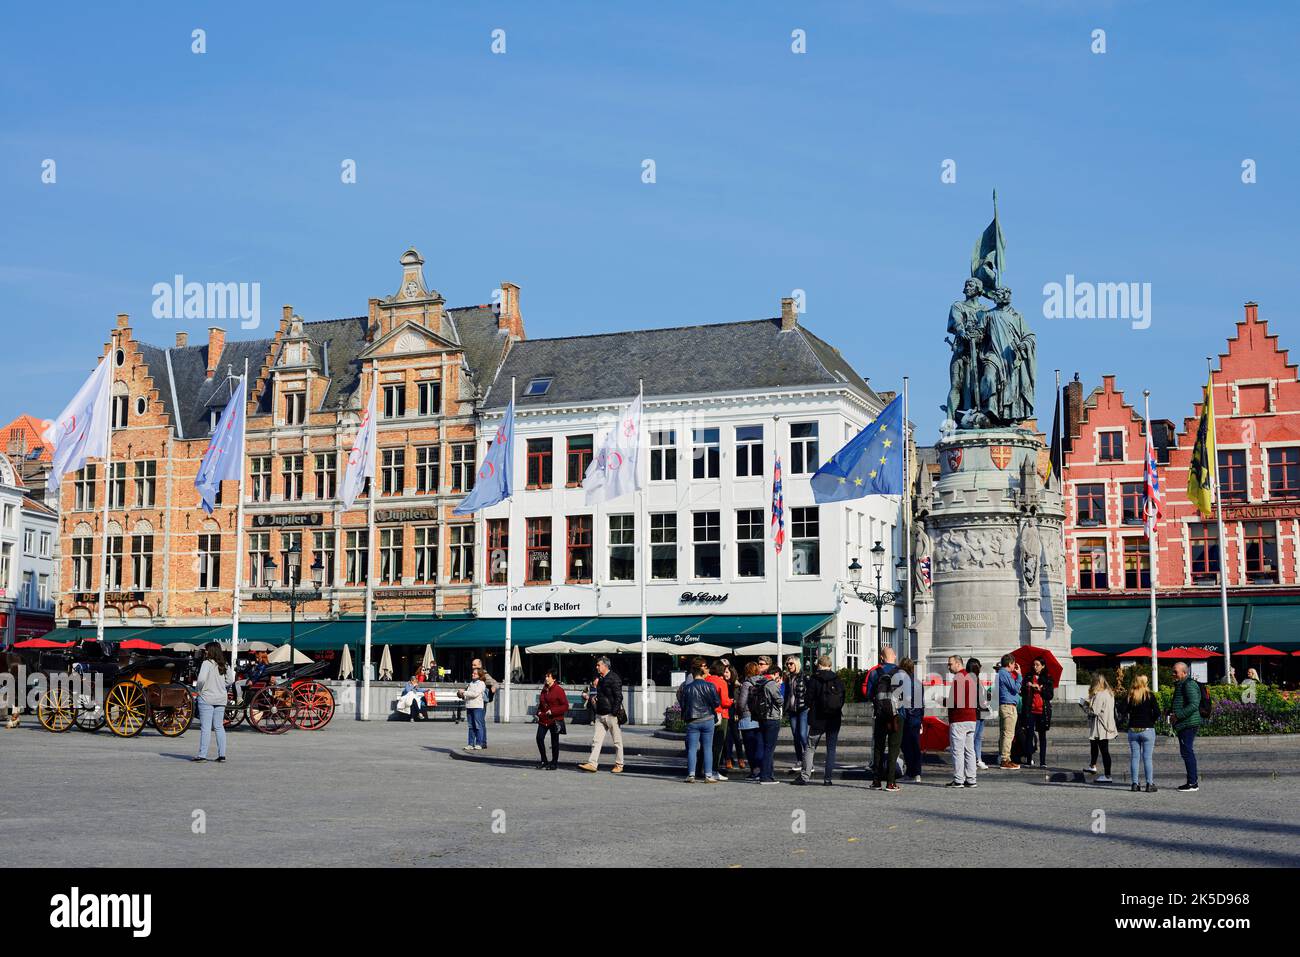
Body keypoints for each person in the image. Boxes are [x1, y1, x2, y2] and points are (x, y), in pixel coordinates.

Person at [798, 656, 844, 786]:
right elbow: (842, 699)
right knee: (831, 749)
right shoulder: (838, 679)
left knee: (810, 747)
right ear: (830, 665)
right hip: (834, 719)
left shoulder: (814, 679)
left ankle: (805, 776)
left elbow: (807, 700)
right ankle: (828, 779)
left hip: (817, 719)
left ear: (819, 665)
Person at [678, 659, 722, 782]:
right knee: (708, 747)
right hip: (707, 719)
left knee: (692, 748)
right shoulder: (710, 686)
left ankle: (691, 774)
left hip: (692, 720)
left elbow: (683, 704)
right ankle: (708, 775)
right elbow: (717, 702)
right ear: (703, 673)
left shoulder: (687, 688)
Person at [578, 657, 625, 774]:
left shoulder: (614, 678)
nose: (597, 667)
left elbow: (619, 697)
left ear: (605, 666)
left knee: (617, 741)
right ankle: (592, 763)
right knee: (596, 740)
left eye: (599, 665)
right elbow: (603, 695)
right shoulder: (600, 679)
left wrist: (614, 712)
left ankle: (619, 764)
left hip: (611, 715)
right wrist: (596, 700)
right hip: (600, 713)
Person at [192, 643, 235, 763]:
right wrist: (222, 686)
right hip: (221, 698)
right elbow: (231, 680)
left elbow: (201, 679)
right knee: (219, 727)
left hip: (207, 697)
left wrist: (199, 690)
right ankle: (222, 755)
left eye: (206, 650)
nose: (205, 652)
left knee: (205, 727)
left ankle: (202, 755)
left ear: (210, 651)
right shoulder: (224, 664)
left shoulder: (207, 663)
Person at [865, 646, 900, 789]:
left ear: (881, 657)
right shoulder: (901, 672)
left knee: (878, 747)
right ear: (895, 656)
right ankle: (891, 782)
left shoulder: (874, 673)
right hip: (897, 714)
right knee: (894, 747)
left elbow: (868, 694)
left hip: (879, 714)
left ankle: (876, 781)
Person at [1119, 673, 1159, 793]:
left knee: (1135, 757)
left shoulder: (1131, 696)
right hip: (1147, 729)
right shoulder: (1149, 695)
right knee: (1147, 758)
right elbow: (1157, 712)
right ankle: (1149, 783)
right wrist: (1150, 721)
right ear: (1145, 683)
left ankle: (1135, 784)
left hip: (1133, 730)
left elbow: (1121, 709)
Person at [945, 655, 978, 788]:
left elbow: (956, 701)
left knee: (958, 750)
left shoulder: (959, 677)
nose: (948, 666)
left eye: (950, 664)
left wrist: (942, 700)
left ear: (958, 664)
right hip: (971, 717)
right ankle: (971, 779)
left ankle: (958, 779)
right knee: (970, 750)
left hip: (959, 718)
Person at [1170, 661, 1202, 792]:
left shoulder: (1188, 684)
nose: (1173, 674)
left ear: (1184, 672)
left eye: (1175, 672)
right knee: (1186, 752)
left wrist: (1178, 715)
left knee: (1187, 752)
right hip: (1184, 723)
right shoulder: (1181, 684)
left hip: (1188, 723)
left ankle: (1192, 783)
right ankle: (1191, 782)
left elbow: (1194, 704)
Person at [754, 657, 783, 783]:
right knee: (769, 748)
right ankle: (765, 776)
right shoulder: (771, 684)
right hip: (772, 717)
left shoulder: (760, 682)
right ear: (776, 674)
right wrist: (778, 686)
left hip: (761, 716)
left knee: (765, 746)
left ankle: (768, 774)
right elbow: (780, 700)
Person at [1020, 657, 1054, 767]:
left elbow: (1050, 695)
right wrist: (1028, 686)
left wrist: (1041, 689)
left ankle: (1043, 761)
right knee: (1029, 735)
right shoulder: (1028, 677)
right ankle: (1029, 759)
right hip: (1030, 710)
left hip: (1042, 710)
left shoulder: (1048, 678)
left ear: (1043, 666)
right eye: (1034, 664)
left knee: (1042, 736)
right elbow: (1022, 692)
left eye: (1037, 665)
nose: (1035, 667)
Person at [1085, 674, 1117, 783]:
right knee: (1095, 745)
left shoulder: (1100, 695)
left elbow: (1095, 711)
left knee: (1104, 751)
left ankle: (1108, 775)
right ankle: (1092, 765)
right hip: (1107, 724)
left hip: (1101, 726)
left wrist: (1086, 707)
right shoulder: (1109, 693)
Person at [896, 657, 925, 782]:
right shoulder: (918, 682)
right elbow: (921, 702)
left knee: (906, 745)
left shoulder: (903, 681)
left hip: (907, 715)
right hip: (917, 716)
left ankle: (910, 772)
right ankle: (917, 773)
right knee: (916, 746)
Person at [534, 670, 568, 770]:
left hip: (555, 720)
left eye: (548, 676)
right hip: (543, 719)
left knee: (554, 742)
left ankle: (554, 763)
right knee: (539, 738)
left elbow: (565, 706)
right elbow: (541, 704)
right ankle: (544, 760)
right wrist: (538, 712)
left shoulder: (559, 690)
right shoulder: (544, 689)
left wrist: (552, 711)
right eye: (546, 676)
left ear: (554, 679)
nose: (546, 678)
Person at [705, 660, 733, 780]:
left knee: (706, 744)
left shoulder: (706, 680)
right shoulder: (722, 682)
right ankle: (714, 770)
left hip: (706, 714)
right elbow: (725, 702)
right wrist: (732, 701)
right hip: (721, 714)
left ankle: (703, 769)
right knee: (718, 744)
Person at [735, 661, 764, 779]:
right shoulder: (764, 682)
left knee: (749, 747)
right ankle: (761, 769)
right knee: (759, 745)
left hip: (747, 717)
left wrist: (738, 711)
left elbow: (741, 703)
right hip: (761, 717)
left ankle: (754, 771)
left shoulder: (747, 684)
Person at [782, 656, 810, 774]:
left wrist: (809, 705)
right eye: (787, 664)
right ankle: (799, 760)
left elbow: (810, 692)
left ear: (797, 664)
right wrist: (784, 708)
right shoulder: (788, 678)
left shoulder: (805, 676)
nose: (789, 666)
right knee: (795, 735)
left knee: (803, 735)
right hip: (792, 709)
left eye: (791, 664)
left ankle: (808, 761)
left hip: (803, 708)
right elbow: (787, 694)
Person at [995, 654, 1022, 769]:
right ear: (1010, 663)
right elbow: (1015, 688)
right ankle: (1005, 759)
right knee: (1008, 734)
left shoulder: (1002, 673)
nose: (1014, 667)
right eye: (1013, 664)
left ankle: (1003, 757)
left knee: (1004, 733)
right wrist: (1019, 676)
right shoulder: (1004, 673)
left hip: (1005, 706)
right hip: (1008, 707)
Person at [718, 661, 744, 771]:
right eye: (724, 672)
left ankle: (741, 759)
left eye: (727, 672)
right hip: (725, 712)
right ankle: (728, 759)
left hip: (734, 713)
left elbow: (740, 700)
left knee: (737, 738)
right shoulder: (722, 683)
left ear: (732, 672)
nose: (726, 674)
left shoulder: (737, 685)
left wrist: (738, 712)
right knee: (727, 738)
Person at [968, 658, 991, 771]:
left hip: (981, 711)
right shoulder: (970, 680)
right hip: (976, 712)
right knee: (973, 737)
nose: (981, 668)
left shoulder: (977, 680)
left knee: (978, 737)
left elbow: (982, 695)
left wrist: (988, 695)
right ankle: (973, 760)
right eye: (979, 666)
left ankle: (978, 759)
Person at [457, 668, 487, 750]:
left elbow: (475, 694)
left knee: (478, 725)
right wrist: (461, 695)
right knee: (471, 726)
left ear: (480, 675)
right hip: (469, 706)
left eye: (475, 673)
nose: (473, 674)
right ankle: (470, 743)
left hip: (477, 707)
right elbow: (468, 695)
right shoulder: (471, 683)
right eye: (473, 673)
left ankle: (479, 743)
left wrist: (464, 692)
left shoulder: (481, 683)